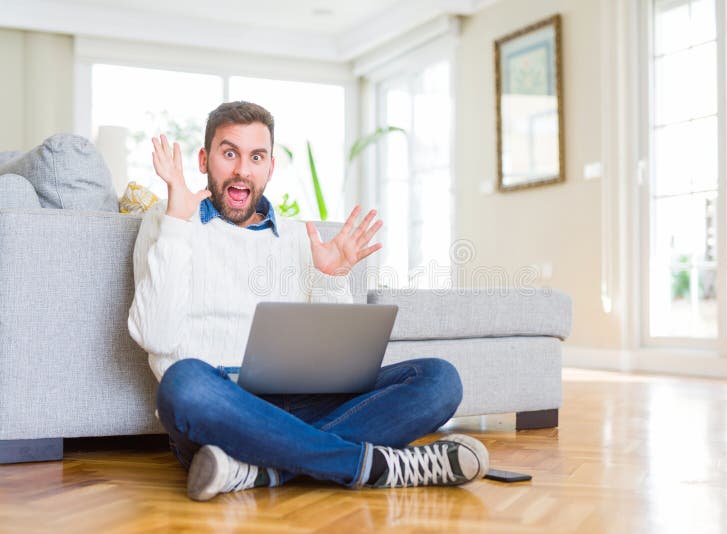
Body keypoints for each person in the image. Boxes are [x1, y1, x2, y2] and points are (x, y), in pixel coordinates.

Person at [127, 101, 489, 501]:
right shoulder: (169, 220)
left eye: (256, 157)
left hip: (304, 404)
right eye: (229, 153)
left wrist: (330, 277)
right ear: (203, 159)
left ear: (269, 167)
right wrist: (178, 224)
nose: (242, 170)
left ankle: (260, 472)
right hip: (221, 408)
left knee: (439, 379)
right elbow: (156, 336)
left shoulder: (301, 238)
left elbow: (339, 365)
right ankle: (371, 466)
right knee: (183, 383)